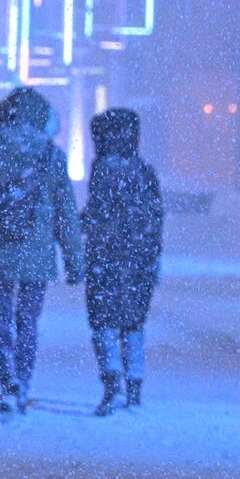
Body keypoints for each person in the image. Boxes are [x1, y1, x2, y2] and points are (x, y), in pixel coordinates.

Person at [0, 87, 83, 415]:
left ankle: (8, 384)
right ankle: (23, 383)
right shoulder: (52, 157)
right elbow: (66, 212)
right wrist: (73, 259)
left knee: (0, 320)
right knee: (27, 320)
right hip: (36, 253)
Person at [81, 108, 163, 416]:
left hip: (106, 257)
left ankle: (112, 384)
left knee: (103, 323)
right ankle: (135, 388)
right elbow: (156, 217)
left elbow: (99, 214)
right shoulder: (144, 171)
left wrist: (77, 229)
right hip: (139, 258)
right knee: (133, 324)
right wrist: (154, 256)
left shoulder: (102, 170)